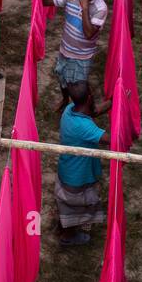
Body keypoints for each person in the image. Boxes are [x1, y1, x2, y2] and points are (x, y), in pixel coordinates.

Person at [42, 0, 108, 109]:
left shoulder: (101, 8)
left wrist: (84, 7)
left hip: (81, 56)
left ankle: (89, 110)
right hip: (65, 49)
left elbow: (89, 33)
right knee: (62, 78)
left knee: (78, 86)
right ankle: (65, 100)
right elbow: (47, 2)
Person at [55, 81, 108, 246]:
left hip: (68, 170)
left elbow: (94, 112)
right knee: (76, 208)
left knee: (67, 205)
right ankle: (68, 237)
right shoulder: (84, 127)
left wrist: (115, 101)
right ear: (90, 97)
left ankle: (63, 225)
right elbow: (112, 139)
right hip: (77, 177)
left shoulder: (70, 110)